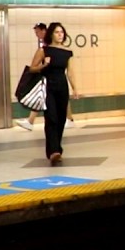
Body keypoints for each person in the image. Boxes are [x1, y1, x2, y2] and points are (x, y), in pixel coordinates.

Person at [28, 22, 77, 165]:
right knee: (52, 118)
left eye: (62, 32)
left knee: (61, 119)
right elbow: (32, 68)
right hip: (48, 87)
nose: (60, 35)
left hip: (62, 87)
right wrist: (44, 65)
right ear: (51, 34)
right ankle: (54, 151)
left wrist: (75, 88)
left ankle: (56, 149)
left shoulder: (68, 52)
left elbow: (71, 73)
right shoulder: (44, 51)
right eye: (56, 32)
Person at [15, 22, 48, 131]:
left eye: (37, 32)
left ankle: (69, 119)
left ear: (44, 30)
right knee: (40, 97)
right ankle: (30, 121)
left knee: (42, 96)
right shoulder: (43, 44)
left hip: (49, 76)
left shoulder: (47, 45)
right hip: (47, 75)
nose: (36, 35)